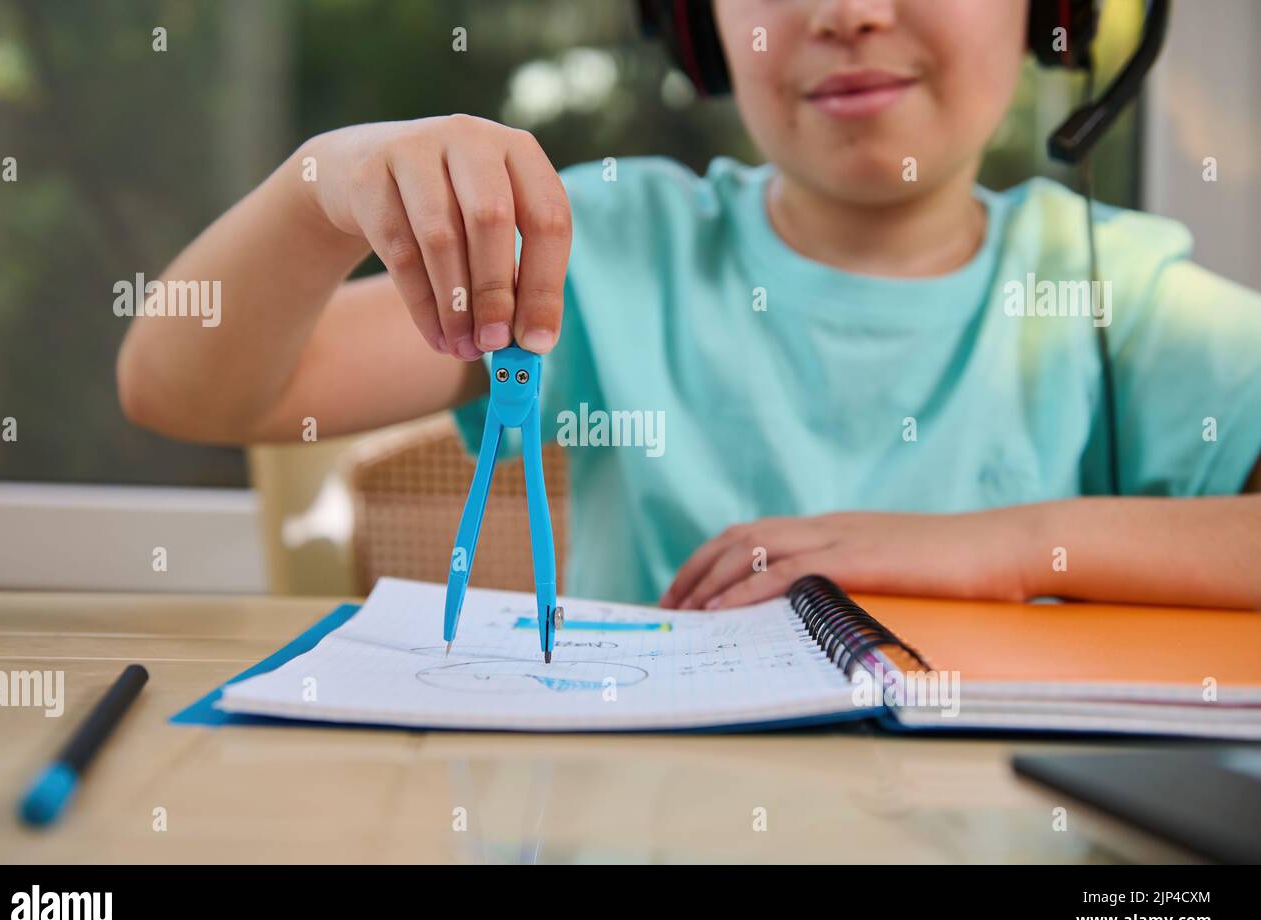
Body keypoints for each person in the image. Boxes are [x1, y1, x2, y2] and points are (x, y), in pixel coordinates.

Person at [117, 0, 1261, 610]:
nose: (848, 9)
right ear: (692, 21)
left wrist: (999, 548)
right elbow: (183, 387)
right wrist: (323, 187)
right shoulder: (609, 248)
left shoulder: (1122, 299)